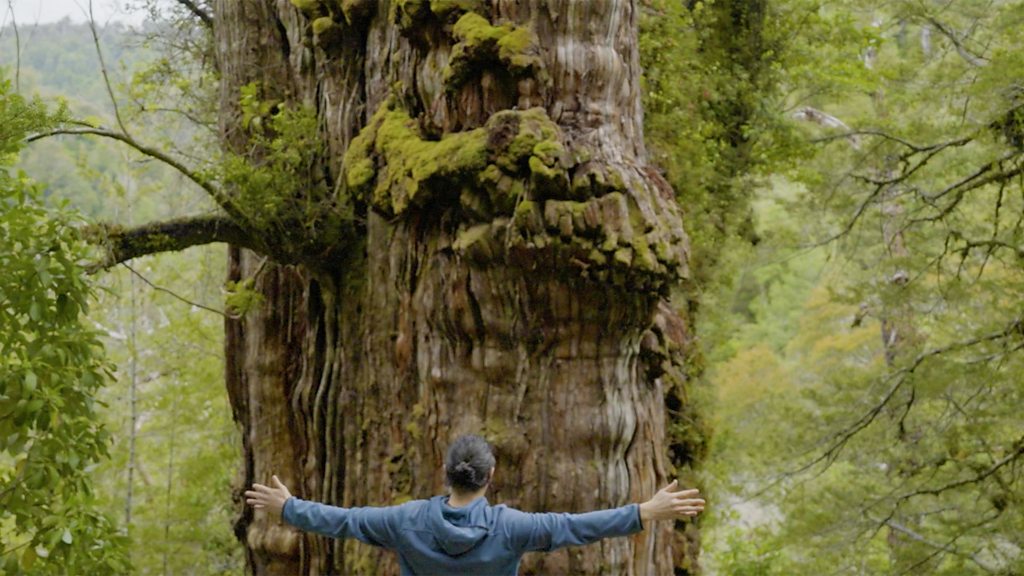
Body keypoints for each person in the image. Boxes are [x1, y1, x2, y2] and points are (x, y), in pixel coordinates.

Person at [245, 434, 705, 575]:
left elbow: (343, 522)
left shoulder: (406, 521)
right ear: (490, 476)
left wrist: (288, 508)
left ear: (444, 473)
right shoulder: (512, 528)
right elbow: (576, 526)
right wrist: (645, 511)